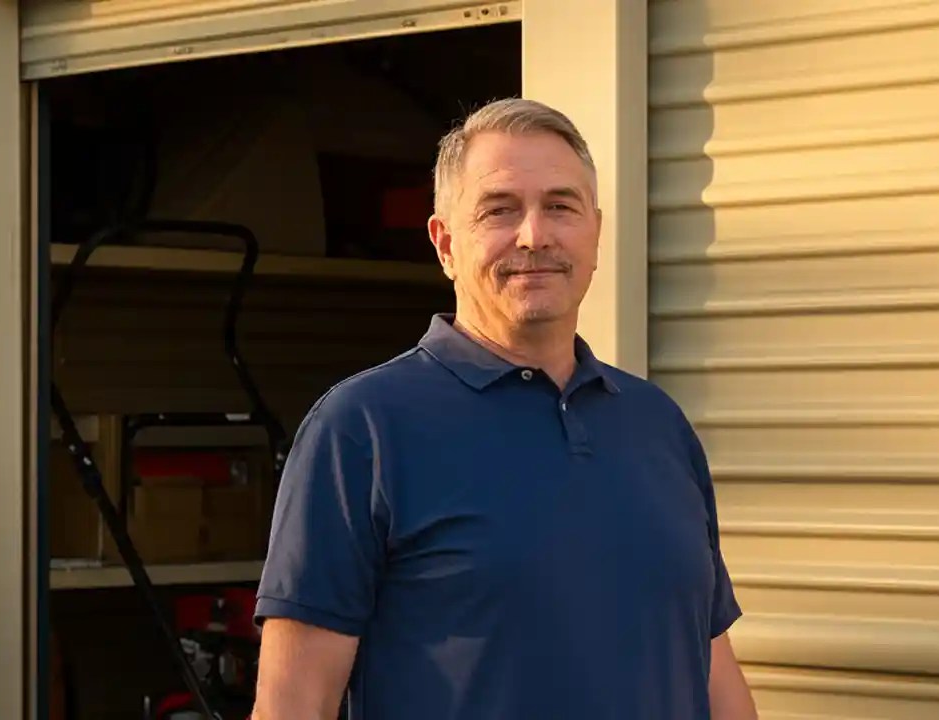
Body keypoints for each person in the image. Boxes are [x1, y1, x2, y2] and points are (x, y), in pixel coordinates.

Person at [249, 98, 758, 720]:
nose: (534, 235)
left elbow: (711, 668)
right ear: (444, 244)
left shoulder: (657, 425)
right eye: (499, 209)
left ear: (595, 231)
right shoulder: (362, 430)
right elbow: (293, 706)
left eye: (560, 207)